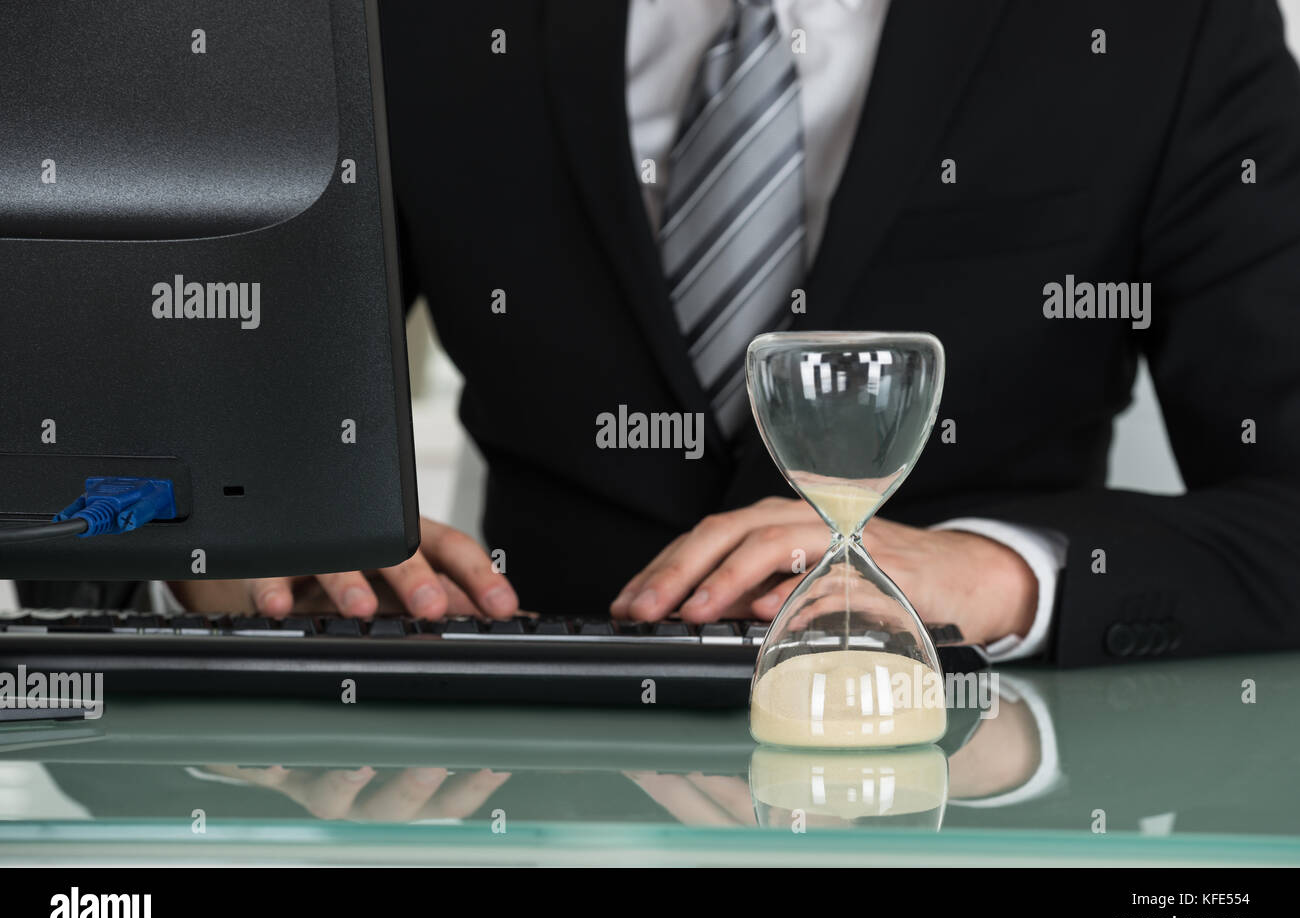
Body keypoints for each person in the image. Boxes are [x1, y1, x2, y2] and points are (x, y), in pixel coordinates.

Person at [19, 0, 1300, 666]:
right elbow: (97, 478)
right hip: (489, 774)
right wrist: (227, 547)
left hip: (969, 771)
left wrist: (996, 574)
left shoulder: (1165, 25)